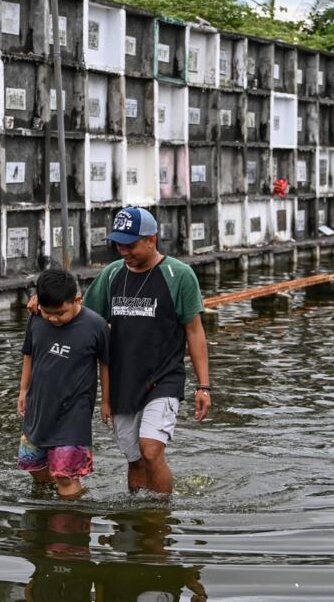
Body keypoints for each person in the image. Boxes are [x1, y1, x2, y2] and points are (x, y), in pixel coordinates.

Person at [28, 207, 211, 496]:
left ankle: (160, 518)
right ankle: (136, 516)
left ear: (151, 240)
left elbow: (194, 330)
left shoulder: (180, 275)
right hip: (123, 378)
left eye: (131, 244)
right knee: (135, 459)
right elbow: (79, 316)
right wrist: (44, 300)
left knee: (150, 451)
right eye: (119, 244)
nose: (123, 250)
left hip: (164, 376)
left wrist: (203, 385)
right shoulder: (112, 275)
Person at [17, 268, 111, 499]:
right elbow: (29, 354)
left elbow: (106, 364)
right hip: (39, 404)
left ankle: (71, 524)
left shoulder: (95, 325)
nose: (53, 318)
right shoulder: (36, 317)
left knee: (65, 475)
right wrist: (22, 390)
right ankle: (49, 509)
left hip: (74, 411)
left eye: (60, 313)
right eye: (48, 312)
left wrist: (106, 401)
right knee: (34, 465)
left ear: (76, 300)